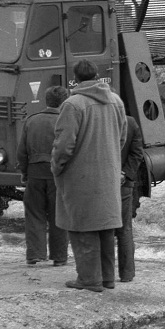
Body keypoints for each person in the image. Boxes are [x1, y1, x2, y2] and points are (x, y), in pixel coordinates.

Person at [51, 60, 127, 293]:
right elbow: (122, 136)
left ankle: (88, 279)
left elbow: (64, 145)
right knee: (105, 226)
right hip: (109, 173)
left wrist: (56, 167)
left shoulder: (73, 104)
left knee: (81, 226)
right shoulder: (116, 101)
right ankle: (107, 278)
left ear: (76, 78)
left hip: (80, 175)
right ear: (97, 75)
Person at [17, 85, 70, 267]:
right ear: (65, 102)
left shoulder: (32, 121)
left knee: (34, 214)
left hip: (35, 173)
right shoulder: (66, 121)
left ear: (45, 101)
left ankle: (35, 254)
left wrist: (25, 173)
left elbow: (22, 152)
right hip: (59, 175)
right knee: (59, 215)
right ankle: (59, 257)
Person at [115, 115, 144, 283]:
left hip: (101, 184)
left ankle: (102, 274)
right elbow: (137, 152)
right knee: (125, 229)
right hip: (124, 182)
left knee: (99, 229)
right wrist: (124, 173)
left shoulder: (95, 119)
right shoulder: (130, 122)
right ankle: (127, 274)